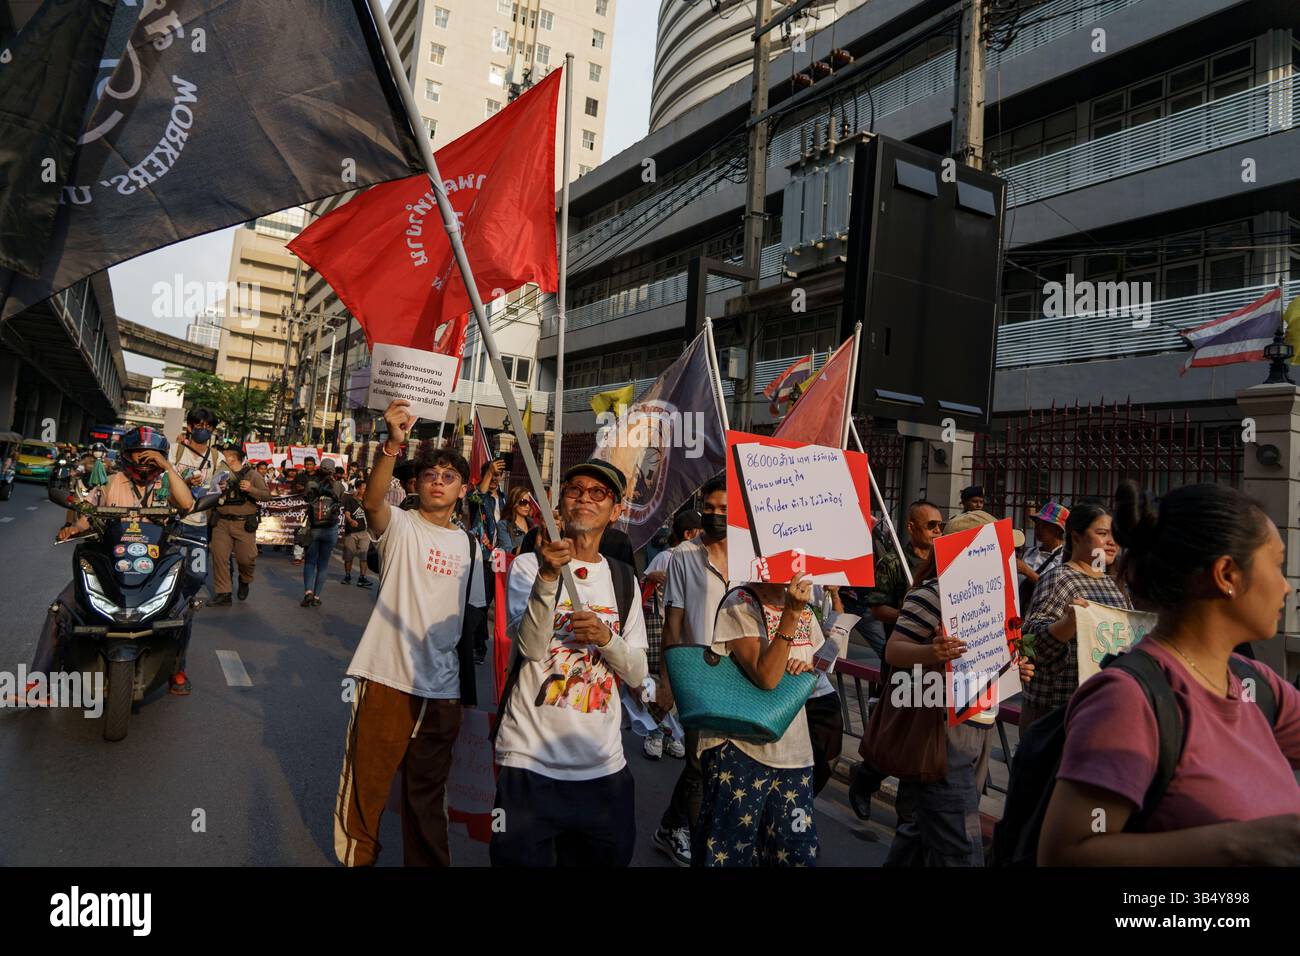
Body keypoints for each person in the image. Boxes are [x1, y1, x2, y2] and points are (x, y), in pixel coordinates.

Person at [1039, 481, 1300, 865]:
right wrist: (1240, 844)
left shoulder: (1256, 684)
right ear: (1226, 574)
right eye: (1277, 565)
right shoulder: (1129, 701)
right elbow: (1067, 853)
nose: (1286, 587)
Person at [333, 400, 486, 867]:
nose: (438, 481)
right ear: (416, 485)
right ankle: (358, 860)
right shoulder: (400, 525)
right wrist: (393, 445)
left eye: (449, 476)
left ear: (463, 489)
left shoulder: (472, 548)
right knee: (368, 789)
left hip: (442, 692)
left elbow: (472, 625)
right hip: (386, 679)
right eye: (429, 475)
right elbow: (373, 501)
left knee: (427, 798)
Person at [492, 459, 648, 867]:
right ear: (559, 503)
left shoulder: (623, 580)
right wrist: (548, 576)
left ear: (615, 511)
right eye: (575, 489)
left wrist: (606, 638)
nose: (585, 498)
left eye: (598, 493)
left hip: (602, 769)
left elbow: (637, 672)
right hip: (528, 763)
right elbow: (528, 646)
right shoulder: (528, 567)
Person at [882, 511, 1034, 867]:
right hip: (942, 727)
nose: (1008, 556)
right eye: (998, 547)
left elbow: (995, 654)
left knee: (922, 832)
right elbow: (894, 651)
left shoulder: (997, 595)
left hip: (981, 723)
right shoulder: (932, 594)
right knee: (960, 845)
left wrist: (1017, 667)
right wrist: (931, 651)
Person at [693, 572, 823, 867]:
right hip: (741, 752)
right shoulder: (740, 602)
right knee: (727, 856)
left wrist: (808, 667)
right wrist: (791, 614)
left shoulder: (805, 608)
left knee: (797, 855)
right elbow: (767, 676)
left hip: (795, 757)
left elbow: (817, 664)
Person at [54, 427, 196, 691]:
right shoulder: (109, 482)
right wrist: (72, 529)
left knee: (183, 607)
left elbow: (187, 504)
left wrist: (165, 465)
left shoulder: (166, 482)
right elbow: (86, 515)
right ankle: (40, 677)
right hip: (109, 564)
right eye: (139, 454)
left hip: (154, 566)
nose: (145, 461)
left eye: (151, 455)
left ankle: (178, 669)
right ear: (126, 455)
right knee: (62, 607)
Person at [651, 476, 729, 867]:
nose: (715, 516)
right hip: (699, 674)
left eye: (724, 510)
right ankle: (702, 848)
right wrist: (668, 682)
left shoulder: (756, 558)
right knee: (698, 763)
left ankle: (669, 824)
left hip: (743, 675)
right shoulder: (683, 555)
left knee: (719, 763)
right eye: (709, 509)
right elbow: (674, 623)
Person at [1018, 502, 1132, 730]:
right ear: (1077, 537)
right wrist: (1067, 624)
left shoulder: (1115, 585)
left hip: (1100, 709)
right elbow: (1029, 644)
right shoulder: (1058, 579)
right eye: (1102, 534)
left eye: (1115, 535)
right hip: (1056, 714)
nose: (1111, 542)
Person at [639, 509, 702, 760]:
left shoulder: (699, 558)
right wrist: (651, 577)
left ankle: (669, 732)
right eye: (699, 531)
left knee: (679, 684)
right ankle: (652, 731)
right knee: (657, 680)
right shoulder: (668, 556)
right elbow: (645, 582)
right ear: (688, 534)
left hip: (687, 631)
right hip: (662, 626)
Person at [862, 499, 943, 656]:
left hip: (937, 653)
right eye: (931, 525)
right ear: (911, 527)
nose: (938, 530)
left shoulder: (943, 560)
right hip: (905, 651)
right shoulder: (893, 562)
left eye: (941, 525)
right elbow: (877, 608)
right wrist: (912, 616)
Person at [208, 443, 270, 605]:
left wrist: (251, 490)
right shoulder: (220, 473)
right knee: (219, 557)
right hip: (221, 522)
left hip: (244, 524)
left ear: (232, 458)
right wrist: (217, 488)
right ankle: (223, 592)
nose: (221, 458)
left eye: (224, 456)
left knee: (246, 559)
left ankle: (245, 579)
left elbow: (266, 496)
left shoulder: (253, 475)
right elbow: (209, 495)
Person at [172, 407, 219, 601]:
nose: (204, 429)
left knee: (198, 575)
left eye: (208, 426)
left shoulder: (217, 457)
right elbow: (163, 483)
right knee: (165, 570)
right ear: (190, 427)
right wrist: (185, 482)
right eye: (199, 425)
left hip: (198, 525)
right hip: (171, 520)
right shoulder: (174, 451)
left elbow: (218, 490)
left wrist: (221, 485)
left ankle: (181, 601)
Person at [300, 460, 346, 607]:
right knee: (323, 564)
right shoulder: (339, 486)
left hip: (314, 529)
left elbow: (306, 498)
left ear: (319, 469)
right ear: (333, 471)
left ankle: (308, 592)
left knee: (310, 561)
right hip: (330, 529)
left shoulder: (311, 484)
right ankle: (317, 596)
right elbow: (340, 500)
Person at [1017, 500, 1068, 612]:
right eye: (1037, 524)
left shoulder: (1064, 558)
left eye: (1044, 526)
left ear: (1057, 530)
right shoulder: (1030, 552)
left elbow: (1056, 590)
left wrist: (1027, 571)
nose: (1038, 529)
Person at [340, 478, 375, 588]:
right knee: (348, 556)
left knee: (364, 556)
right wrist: (351, 521)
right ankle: (347, 575)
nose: (366, 490)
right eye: (364, 488)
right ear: (359, 488)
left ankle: (362, 578)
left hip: (365, 533)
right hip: (351, 533)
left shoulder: (369, 501)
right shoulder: (351, 500)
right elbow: (347, 513)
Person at [497, 484, 535, 555]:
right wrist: (527, 547)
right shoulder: (503, 525)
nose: (527, 506)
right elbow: (507, 550)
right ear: (514, 502)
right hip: (516, 564)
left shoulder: (533, 524)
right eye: (523, 502)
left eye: (529, 503)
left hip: (533, 564)